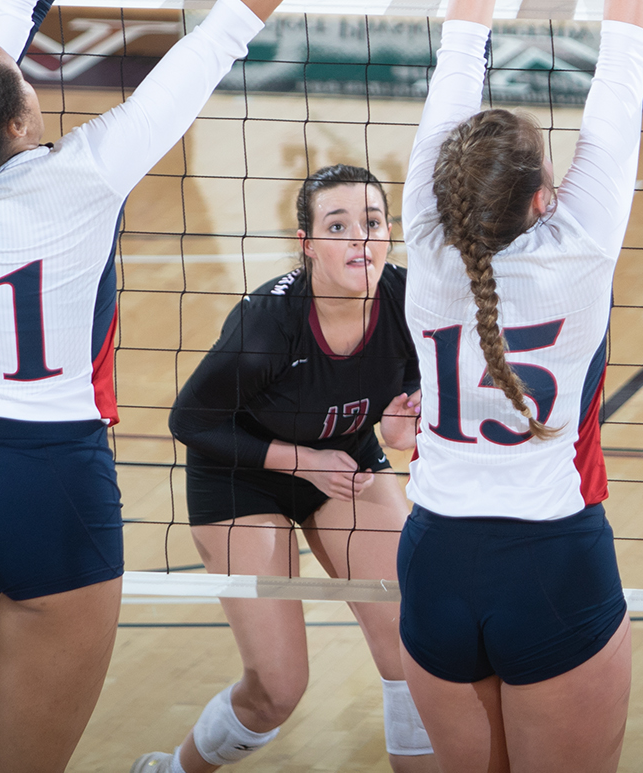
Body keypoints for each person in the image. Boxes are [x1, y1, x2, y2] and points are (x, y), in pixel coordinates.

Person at [0, 0, 402, 772]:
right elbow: (224, 29)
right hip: (51, 481)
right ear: (21, 117)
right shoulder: (86, 177)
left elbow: (15, 8)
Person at [394, 0, 643, 771]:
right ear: (541, 200)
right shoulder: (582, 250)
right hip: (549, 563)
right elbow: (623, 56)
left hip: (431, 564)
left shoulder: (424, 251)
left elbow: (455, 51)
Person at [131, 166, 436, 772]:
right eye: (339, 225)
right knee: (277, 689)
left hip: (343, 461)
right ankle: (174, 770)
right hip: (241, 472)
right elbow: (190, 422)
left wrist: (399, 425)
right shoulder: (267, 327)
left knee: (416, 650)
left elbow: (401, 393)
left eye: (373, 223)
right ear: (307, 243)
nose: (360, 239)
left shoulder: (409, 297)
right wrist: (303, 461)